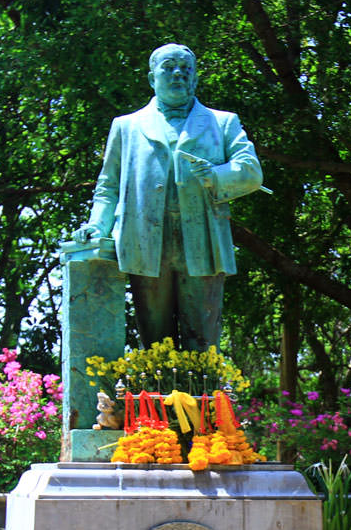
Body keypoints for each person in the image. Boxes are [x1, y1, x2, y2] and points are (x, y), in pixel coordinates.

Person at [73, 43, 263, 351]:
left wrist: (215, 175)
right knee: (155, 343)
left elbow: (251, 171)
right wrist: (98, 225)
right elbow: (108, 186)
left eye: (186, 69)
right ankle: (154, 401)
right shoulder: (126, 126)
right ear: (151, 79)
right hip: (145, 242)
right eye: (169, 68)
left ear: (196, 79)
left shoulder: (223, 122)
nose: (178, 74)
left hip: (203, 241)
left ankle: (204, 400)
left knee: (203, 343)